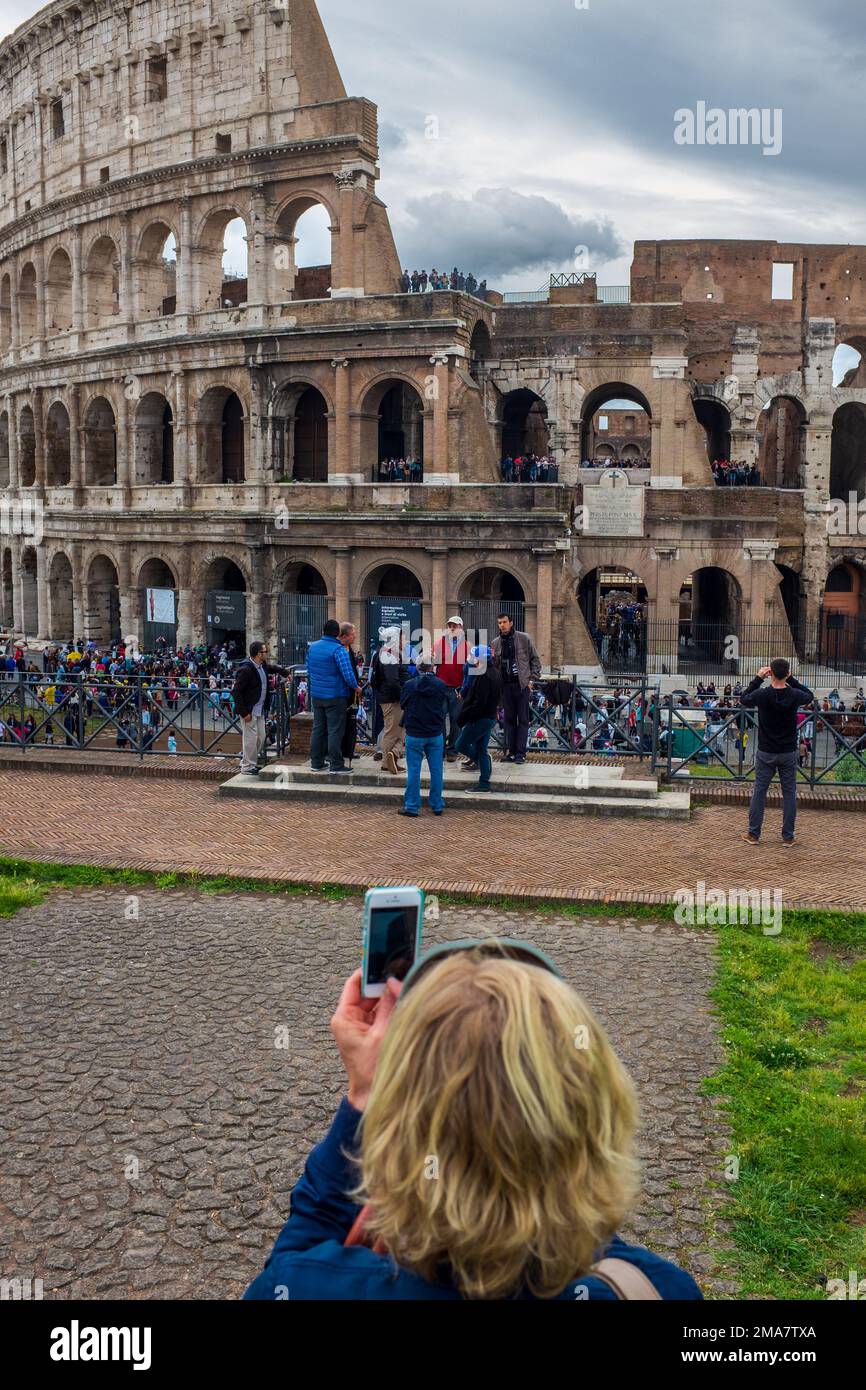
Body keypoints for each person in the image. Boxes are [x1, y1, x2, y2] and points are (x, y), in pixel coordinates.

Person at [244, 939, 702, 1302]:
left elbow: (294, 1262)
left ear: (397, 1146)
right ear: (600, 1120)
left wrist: (364, 1096)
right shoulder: (663, 1290)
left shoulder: (303, 1287)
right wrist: (560, 1173)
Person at [740, 659, 814, 846]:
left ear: (770, 673)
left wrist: (757, 678)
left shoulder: (762, 695)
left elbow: (744, 698)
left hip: (766, 750)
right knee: (789, 793)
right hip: (788, 750)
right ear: (788, 673)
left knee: (760, 791)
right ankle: (788, 837)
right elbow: (809, 695)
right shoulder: (795, 694)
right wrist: (792, 680)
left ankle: (754, 834)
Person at [307, 619, 361, 774]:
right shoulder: (338, 650)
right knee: (335, 730)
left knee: (318, 729)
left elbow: (309, 671)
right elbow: (348, 674)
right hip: (335, 695)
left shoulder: (313, 648)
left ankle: (316, 762)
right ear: (337, 633)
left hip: (317, 695)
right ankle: (336, 764)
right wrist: (356, 687)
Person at [232, 640, 291, 776]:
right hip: (249, 710)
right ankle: (247, 766)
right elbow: (236, 692)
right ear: (259, 654)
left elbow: (272, 668)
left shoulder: (262, 665)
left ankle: (247, 761)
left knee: (261, 737)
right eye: (265, 652)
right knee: (250, 739)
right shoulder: (246, 670)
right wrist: (244, 712)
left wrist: (285, 672)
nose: (267, 654)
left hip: (259, 710)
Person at [398, 659, 447, 817]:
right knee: (437, 770)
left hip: (415, 732)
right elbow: (443, 706)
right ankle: (437, 804)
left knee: (413, 770)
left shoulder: (409, 685)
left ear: (418, 668)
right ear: (432, 668)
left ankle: (412, 805)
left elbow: (403, 704)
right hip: (435, 732)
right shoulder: (440, 684)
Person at [492, 614, 541, 764]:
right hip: (505, 686)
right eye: (500, 623)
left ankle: (521, 753)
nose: (502, 625)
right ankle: (510, 752)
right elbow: (494, 666)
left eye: (505, 622)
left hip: (522, 685)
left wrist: (532, 680)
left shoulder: (524, 638)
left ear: (511, 623)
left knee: (523, 720)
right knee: (509, 720)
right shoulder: (495, 643)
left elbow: (535, 659)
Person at [455, 645, 502, 791]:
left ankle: (485, 765)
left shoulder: (482, 675)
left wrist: (469, 717)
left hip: (480, 718)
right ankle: (484, 783)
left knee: (460, 745)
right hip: (489, 716)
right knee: (481, 749)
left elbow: (478, 701)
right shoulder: (494, 672)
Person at [369, 626, 407, 776]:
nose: (405, 640)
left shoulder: (386, 652)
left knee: (397, 730)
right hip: (392, 699)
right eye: (403, 638)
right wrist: (403, 695)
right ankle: (388, 761)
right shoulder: (389, 654)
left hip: (388, 696)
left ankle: (392, 758)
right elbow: (392, 681)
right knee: (392, 731)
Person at [433, 615, 469, 761]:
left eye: (455, 625)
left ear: (461, 628)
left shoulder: (467, 646)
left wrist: (465, 688)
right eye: (450, 625)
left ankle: (452, 750)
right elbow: (431, 664)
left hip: (458, 688)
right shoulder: (438, 643)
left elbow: (470, 670)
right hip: (441, 687)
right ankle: (440, 750)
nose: (452, 628)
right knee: (439, 719)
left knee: (456, 721)